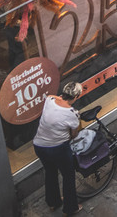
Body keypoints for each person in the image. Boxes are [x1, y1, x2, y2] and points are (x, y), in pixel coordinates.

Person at [33, 80, 84, 216]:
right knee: (68, 175)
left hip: (39, 145)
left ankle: (53, 202)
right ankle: (70, 208)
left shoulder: (49, 100)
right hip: (58, 148)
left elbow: (54, 97)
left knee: (50, 172)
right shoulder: (72, 114)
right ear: (76, 97)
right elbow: (74, 134)